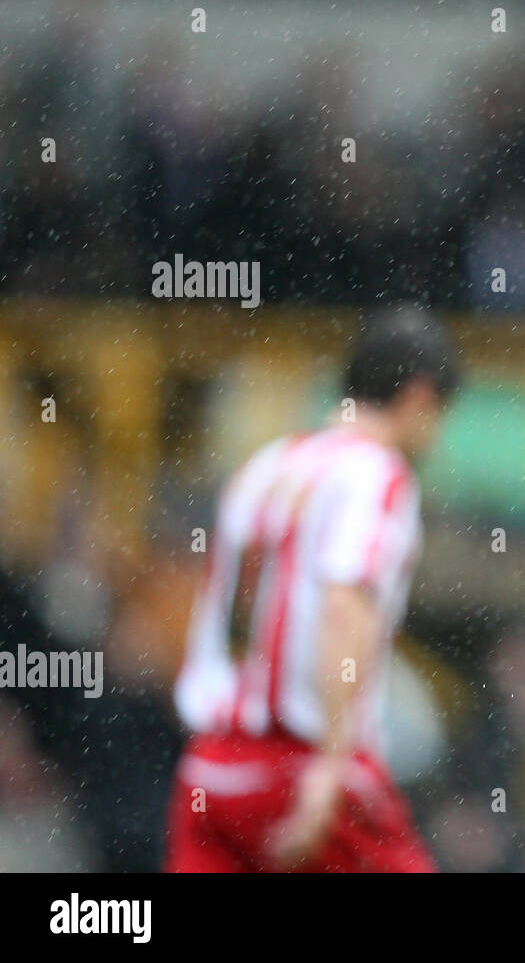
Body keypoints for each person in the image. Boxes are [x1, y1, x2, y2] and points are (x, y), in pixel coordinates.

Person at [164, 308, 459, 872]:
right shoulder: (375, 475)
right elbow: (345, 607)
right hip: (297, 765)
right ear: (421, 397)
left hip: (211, 769)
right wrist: (331, 764)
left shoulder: (268, 465)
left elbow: (224, 613)